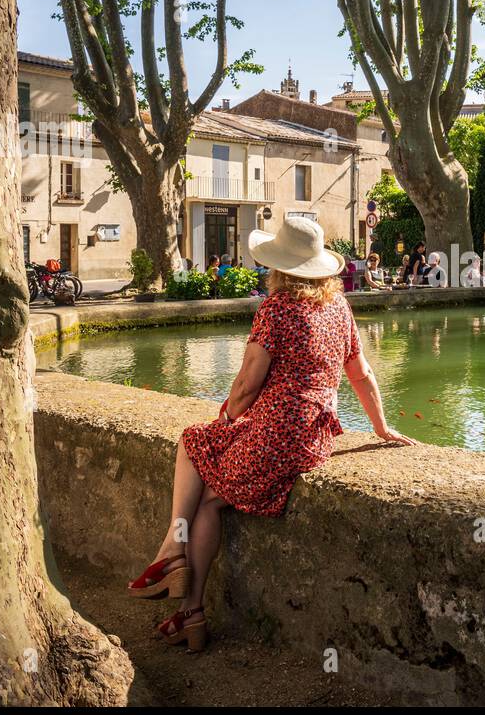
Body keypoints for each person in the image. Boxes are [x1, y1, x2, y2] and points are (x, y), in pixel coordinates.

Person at [127, 217, 417, 650]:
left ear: (279, 266)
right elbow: (361, 374)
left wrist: (225, 421)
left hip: (276, 435)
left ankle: (183, 581)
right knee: (206, 474)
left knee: (196, 454)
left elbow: (246, 385)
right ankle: (179, 579)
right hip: (314, 439)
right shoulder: (338, 308)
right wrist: (380, 427)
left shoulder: (276, 309)